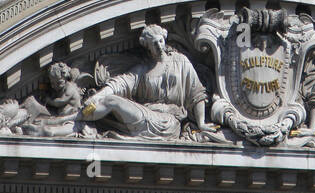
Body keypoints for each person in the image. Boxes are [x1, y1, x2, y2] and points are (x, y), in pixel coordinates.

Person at [81, 24, 220, 140]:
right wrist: (97, 96)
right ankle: (82, 116)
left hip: (169, 122)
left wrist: (201, 123)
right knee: (111, 100)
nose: (159, 46)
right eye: (154, 43)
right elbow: (119, 83)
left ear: (164, 39)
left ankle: (81, 117)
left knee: (111, 102)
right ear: (147, 46)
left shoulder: (180, 62)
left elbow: (196, 93)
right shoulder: (143, 70)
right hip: (146, 115)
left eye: (160, 41)